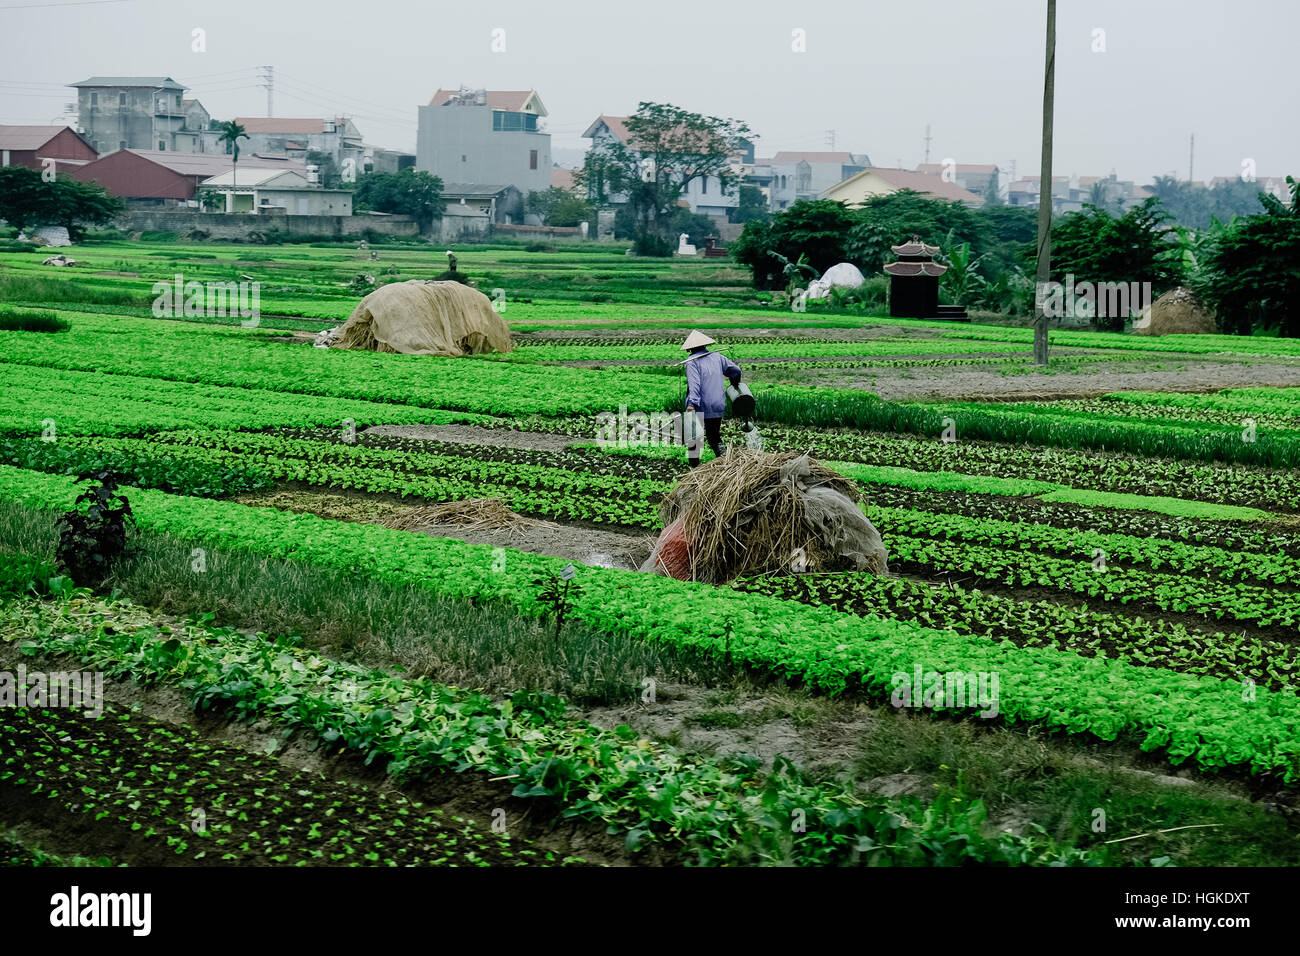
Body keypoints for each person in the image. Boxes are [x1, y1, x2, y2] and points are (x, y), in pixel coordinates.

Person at [681, 330, 741, 468]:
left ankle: (694, 470)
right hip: (718, 403)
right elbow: (736, 371)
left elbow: (694, 385)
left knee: (694, 440)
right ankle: (728, 463)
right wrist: (735, 383)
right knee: (714, 436)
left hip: (701, 404)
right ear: (705, 345)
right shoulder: (717, 357)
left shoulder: (691, 362)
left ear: (690, 348)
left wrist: (691, 404)